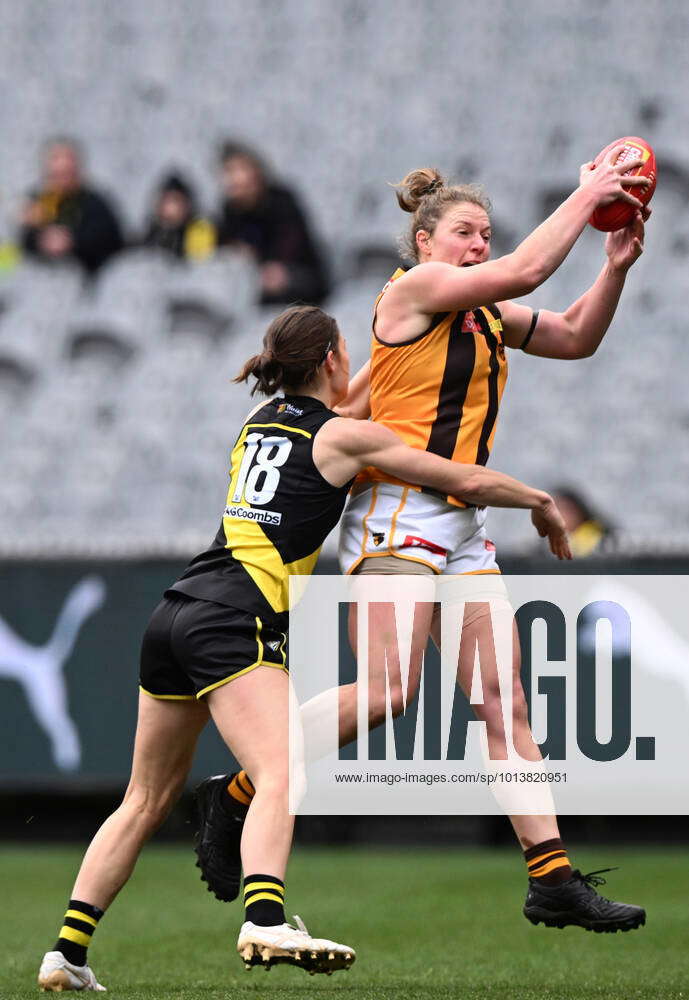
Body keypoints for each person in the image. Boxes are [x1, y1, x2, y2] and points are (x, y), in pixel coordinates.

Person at [38, 304, 573, 992]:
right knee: (280, 768)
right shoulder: (347, 439)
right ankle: (264, 917)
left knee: (142, 798)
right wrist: (537, 500)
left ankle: (68, 953)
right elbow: (463, 481)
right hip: (237, 618)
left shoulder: (255, 424)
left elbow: (327, 408)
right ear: (329, 360)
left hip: (176, 608)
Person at [193, 154, 649, 935]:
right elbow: (529, 268)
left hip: (462, 525)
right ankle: (237, 792)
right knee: (388, 691)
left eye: (485, 234)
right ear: (424, 240)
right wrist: (588, 193)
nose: (478, 244)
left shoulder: (481, 315)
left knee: (503, 700)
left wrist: (613, 267)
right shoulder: (411, 291)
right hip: (396, 510)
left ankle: (551, 876)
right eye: (465, 233)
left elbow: (574, 335)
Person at [217, 141, 329, 305]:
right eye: (229, 171)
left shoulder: (280, 200)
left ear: (255, 170)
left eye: (240, 169)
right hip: (252, 282)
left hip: (301, 280)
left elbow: (290, 245)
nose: (235, 178)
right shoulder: (230, 210)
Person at [20, 138, 124, 275]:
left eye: (67, 173)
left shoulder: (95, 202)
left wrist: (72, 241)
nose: (62, 179)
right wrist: (39, 239)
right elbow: (24, 243)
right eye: (57, 175)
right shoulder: (38, 201)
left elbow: (110, 239)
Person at [140, 172, 217, 262]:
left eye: (176, 201)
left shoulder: (199, 230)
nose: (172, 208)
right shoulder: (154, 233)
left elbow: (201, 260)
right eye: (167, 202)